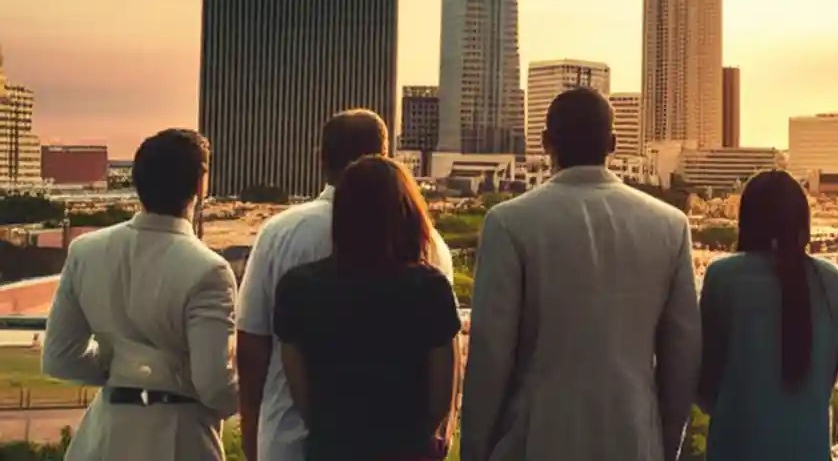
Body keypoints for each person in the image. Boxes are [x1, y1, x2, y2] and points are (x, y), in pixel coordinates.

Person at [460, 87, 700, 461]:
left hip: (535, 440)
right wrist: (663, 445)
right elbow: (682, 357)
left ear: (545, 143)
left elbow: (490, 355)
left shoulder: (509, 222)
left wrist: (475, 450)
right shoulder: (670, 225)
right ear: (613, 143)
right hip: (634, 437)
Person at [237, 109, 455, 461]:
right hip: (403, 447)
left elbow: (252, 348)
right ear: (388, 159)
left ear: (321, 158)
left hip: (297, 443)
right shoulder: (429, 244)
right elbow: (442, 384)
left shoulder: (281, 235)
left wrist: (252, 435)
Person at [43, 129, 237, 461]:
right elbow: (215, 387)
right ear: (201, 185)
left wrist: (122, 366)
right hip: (180, 439)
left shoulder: (85, 251)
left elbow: (61, 358)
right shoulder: (210, 270)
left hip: (101, 438)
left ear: (137, 180)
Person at [697, 170, 838, 461]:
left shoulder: (724, 277)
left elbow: (706, 381)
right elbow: (828, 372)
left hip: (738, 448)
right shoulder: (832, 282)